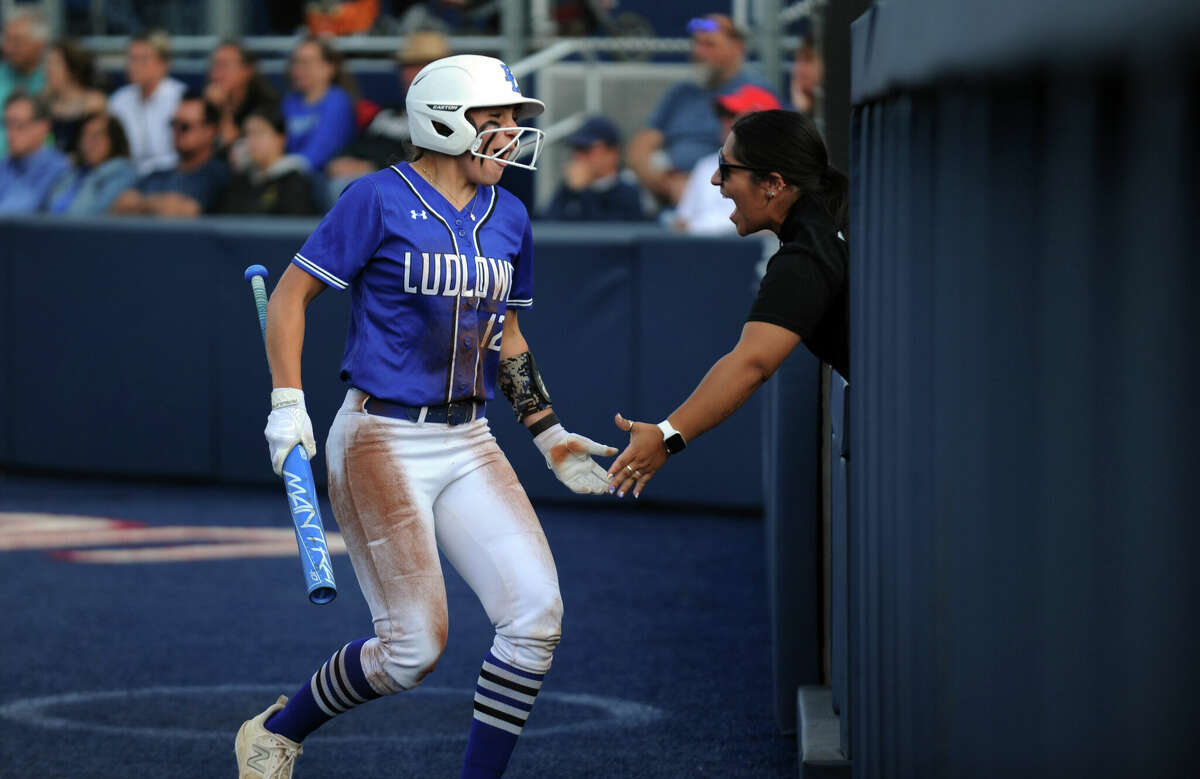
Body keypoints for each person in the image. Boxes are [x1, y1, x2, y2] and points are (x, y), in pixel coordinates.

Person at [234, 54, 616, 779]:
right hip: (381, 434)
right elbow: (289, 297)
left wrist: (548, 431)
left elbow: (506, 332)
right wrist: (288, 402)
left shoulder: (510, 214)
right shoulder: (375, 198)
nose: (509, 135)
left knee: (536, 617)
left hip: (470, 436)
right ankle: (277, 731)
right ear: (443, 120)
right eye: (494, 120)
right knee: (411, 649)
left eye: (512, 122)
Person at [608, 109, 849, 499]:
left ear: (772, 183)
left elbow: (751, 363)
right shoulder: (836, 218)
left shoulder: (807, 254)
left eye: (727, 167)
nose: (715, 179)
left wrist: (666, 436)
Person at [627, 13, 775, 208]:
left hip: (722, 196)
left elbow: (763, 161)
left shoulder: (757, 92)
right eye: (697, 44)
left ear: (737, 48)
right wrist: (665, 184)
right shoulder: (681, 93)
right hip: (667, 190)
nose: (699, 52)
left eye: (709, 45)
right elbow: (640, 146)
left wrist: (696, 188)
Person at [325, 29, 451, 188]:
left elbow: (433, 163)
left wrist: (372, 166)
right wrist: (341, 160)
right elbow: (357, 145)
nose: (409, 74)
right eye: (406, 67)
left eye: (419, 66)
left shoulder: (452, 117)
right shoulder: (386, 113)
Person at [673, 84, 780, 235]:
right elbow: (681, 225)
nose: (725, 122)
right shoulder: (705, 166)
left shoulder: (779, 171)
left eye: (734, 115)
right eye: (724, 115)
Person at [110, 91, 230, 217]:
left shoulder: (217, 175)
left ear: (209, 131)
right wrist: (158, 203)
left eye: (185, 127)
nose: (176, 131)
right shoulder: (158, 174)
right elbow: (120, 205)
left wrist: (142, 203)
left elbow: (186, 211)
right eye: (173, 124)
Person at [537, 115, 647, 222]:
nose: (578, 156)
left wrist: (584, 192)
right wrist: (567, 189)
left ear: (612, 153)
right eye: (576, 149)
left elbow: (605, 231)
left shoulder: (628, 193)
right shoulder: (569, 190)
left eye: (586, 149)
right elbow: (546, 224)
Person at [214, 105, 318, 216]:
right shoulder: (240, 180)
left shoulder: (296, 181)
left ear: (281, 138)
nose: (252, 141)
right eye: (248, 134)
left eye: (259, 133)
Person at [108, 30, 185, 175]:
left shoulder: (180, 97)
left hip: (170, 174)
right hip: (126, 175)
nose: (134, 66)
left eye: (143, 59)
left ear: (163, 63)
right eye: (131, 59)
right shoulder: (120, 99)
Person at [282, 36, 358, 172]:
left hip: (323, 176)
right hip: (290, 175)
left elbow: (320, 151)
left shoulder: (337, 100)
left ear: (329, 68)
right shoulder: (290, 101)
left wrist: (280, 166)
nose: (298, 69)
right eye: (295, 62)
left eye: (306, 63)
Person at [43, 112, 136, 215]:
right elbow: (47, 208)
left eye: (96, 136)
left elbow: (95, 214)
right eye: (84, 135)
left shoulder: (122, 173)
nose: (88, 142)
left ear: (113, 140)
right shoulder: (72, 173)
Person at [204, 40, 279, 164]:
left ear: (247, 71)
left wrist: (223, 111)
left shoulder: (266, 105)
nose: (216, 73)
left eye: (224, 65)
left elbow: (242, 153)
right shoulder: (206, 104)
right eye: (214, 65)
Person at [0, 92, 69, 214]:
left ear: (43, 127)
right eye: (7, 124)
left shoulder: (61, 170)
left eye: (19, 125)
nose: (10, 134)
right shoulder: (4, 166)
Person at [42, 39, 107, 154]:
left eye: (55, 63)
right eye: (47, 63)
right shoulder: (45, 102)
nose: (48, 70)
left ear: (72, 68)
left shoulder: (93, 103)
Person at [0, 7, 48, 156]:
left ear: (39, 45)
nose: (8, 47)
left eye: (17, 41)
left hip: (42, 169)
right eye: (6, 39)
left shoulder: (53, 78)